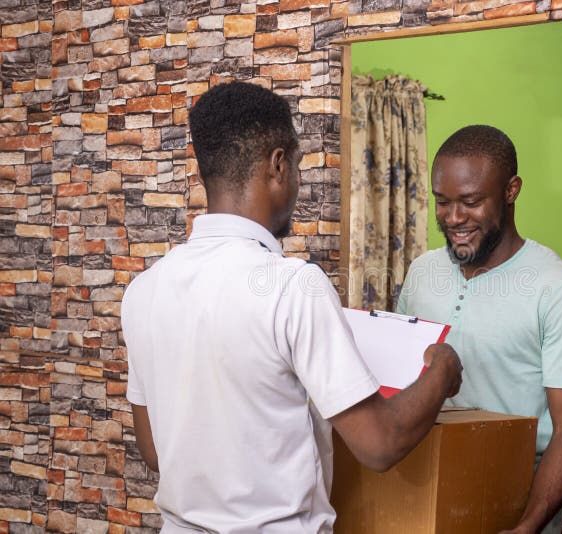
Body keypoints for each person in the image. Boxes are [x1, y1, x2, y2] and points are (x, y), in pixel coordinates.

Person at [122, 81, 462, 533]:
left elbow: (153, 450)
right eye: (298, 167)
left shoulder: (143, 290)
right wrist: (442, 370)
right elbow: (380, 445)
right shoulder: (294, 286)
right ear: (278, 165)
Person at [397, 125, 562, 534]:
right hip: (420, 488)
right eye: (442, 202)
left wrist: (528, 525)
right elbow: (398, 381)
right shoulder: (421, 272)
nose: (454, 218)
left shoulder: (560, 290)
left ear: (511, 190)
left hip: (513, 500)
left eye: (470, 202)